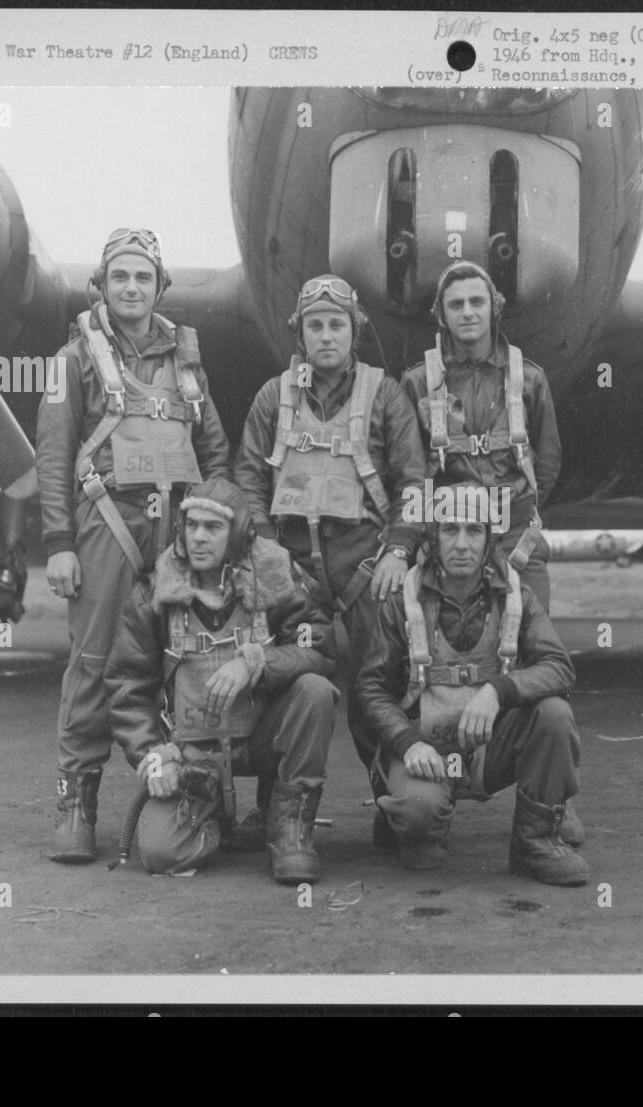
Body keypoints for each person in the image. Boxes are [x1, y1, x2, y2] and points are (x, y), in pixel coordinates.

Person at [36, 228, 231, 863]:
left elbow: (214, 453)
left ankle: (193, 789)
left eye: (143, 277)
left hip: (178, 532)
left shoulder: (187, 363)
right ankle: (76, 801)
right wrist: (59, 541)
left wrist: (218, 529)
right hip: (107, 523)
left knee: (186, 658)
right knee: (95, 661)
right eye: (119, 276)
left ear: (160, 286)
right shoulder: (73, 360)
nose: (131, 287)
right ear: (100, 284)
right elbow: (54, 455)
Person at [232, 274, 425, 843]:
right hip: (289, 565)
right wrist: (264, 548)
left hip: (366, 565)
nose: (325, 335)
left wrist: (399, 549)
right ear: (300, 334)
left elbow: (413, 481)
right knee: (286, 680)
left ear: (354, 330)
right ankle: (277, 810)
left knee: (378, 688)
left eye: (336, 324)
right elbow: (249, 478)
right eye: (314, 325)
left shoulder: (385, 394)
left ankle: (394, 806)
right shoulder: (273, 397)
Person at [105, 478, 338, 882]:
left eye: (212, 527)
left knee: (314, 693)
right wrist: (151, 756)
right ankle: (210, 815)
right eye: (191, 525)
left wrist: (256, 662)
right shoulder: (156, 589)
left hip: (260, 733)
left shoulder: (275, 573)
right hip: (190, 751)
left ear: (239, 533)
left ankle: (289, 827)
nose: (198, 537)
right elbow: (127, 684)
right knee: (163, 854)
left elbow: (317, 646)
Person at [356, 485, 590, 886]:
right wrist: (407, 743)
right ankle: (406, 818)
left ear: (489, 540)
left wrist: (499, 690)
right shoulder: (402, 602)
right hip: (424, 751)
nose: (462, 544)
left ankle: (535, 842)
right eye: (450, 530)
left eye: (474, 530)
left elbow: (558, 667)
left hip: (488, 749)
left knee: (554, 714)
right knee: (419, 830)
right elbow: (371, 688)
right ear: (433, 537)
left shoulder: (516, 597)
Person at [401, 260, 562, 611]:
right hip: (449, 538)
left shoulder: (530, 381)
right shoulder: (418, 383)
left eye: (477, 302)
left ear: (494, 308)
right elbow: (408, 470)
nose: (468, 312)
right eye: (456, 305)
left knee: (534, 634)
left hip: (514, 534)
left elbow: (548, 462)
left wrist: (516, 511)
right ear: (442, 316)